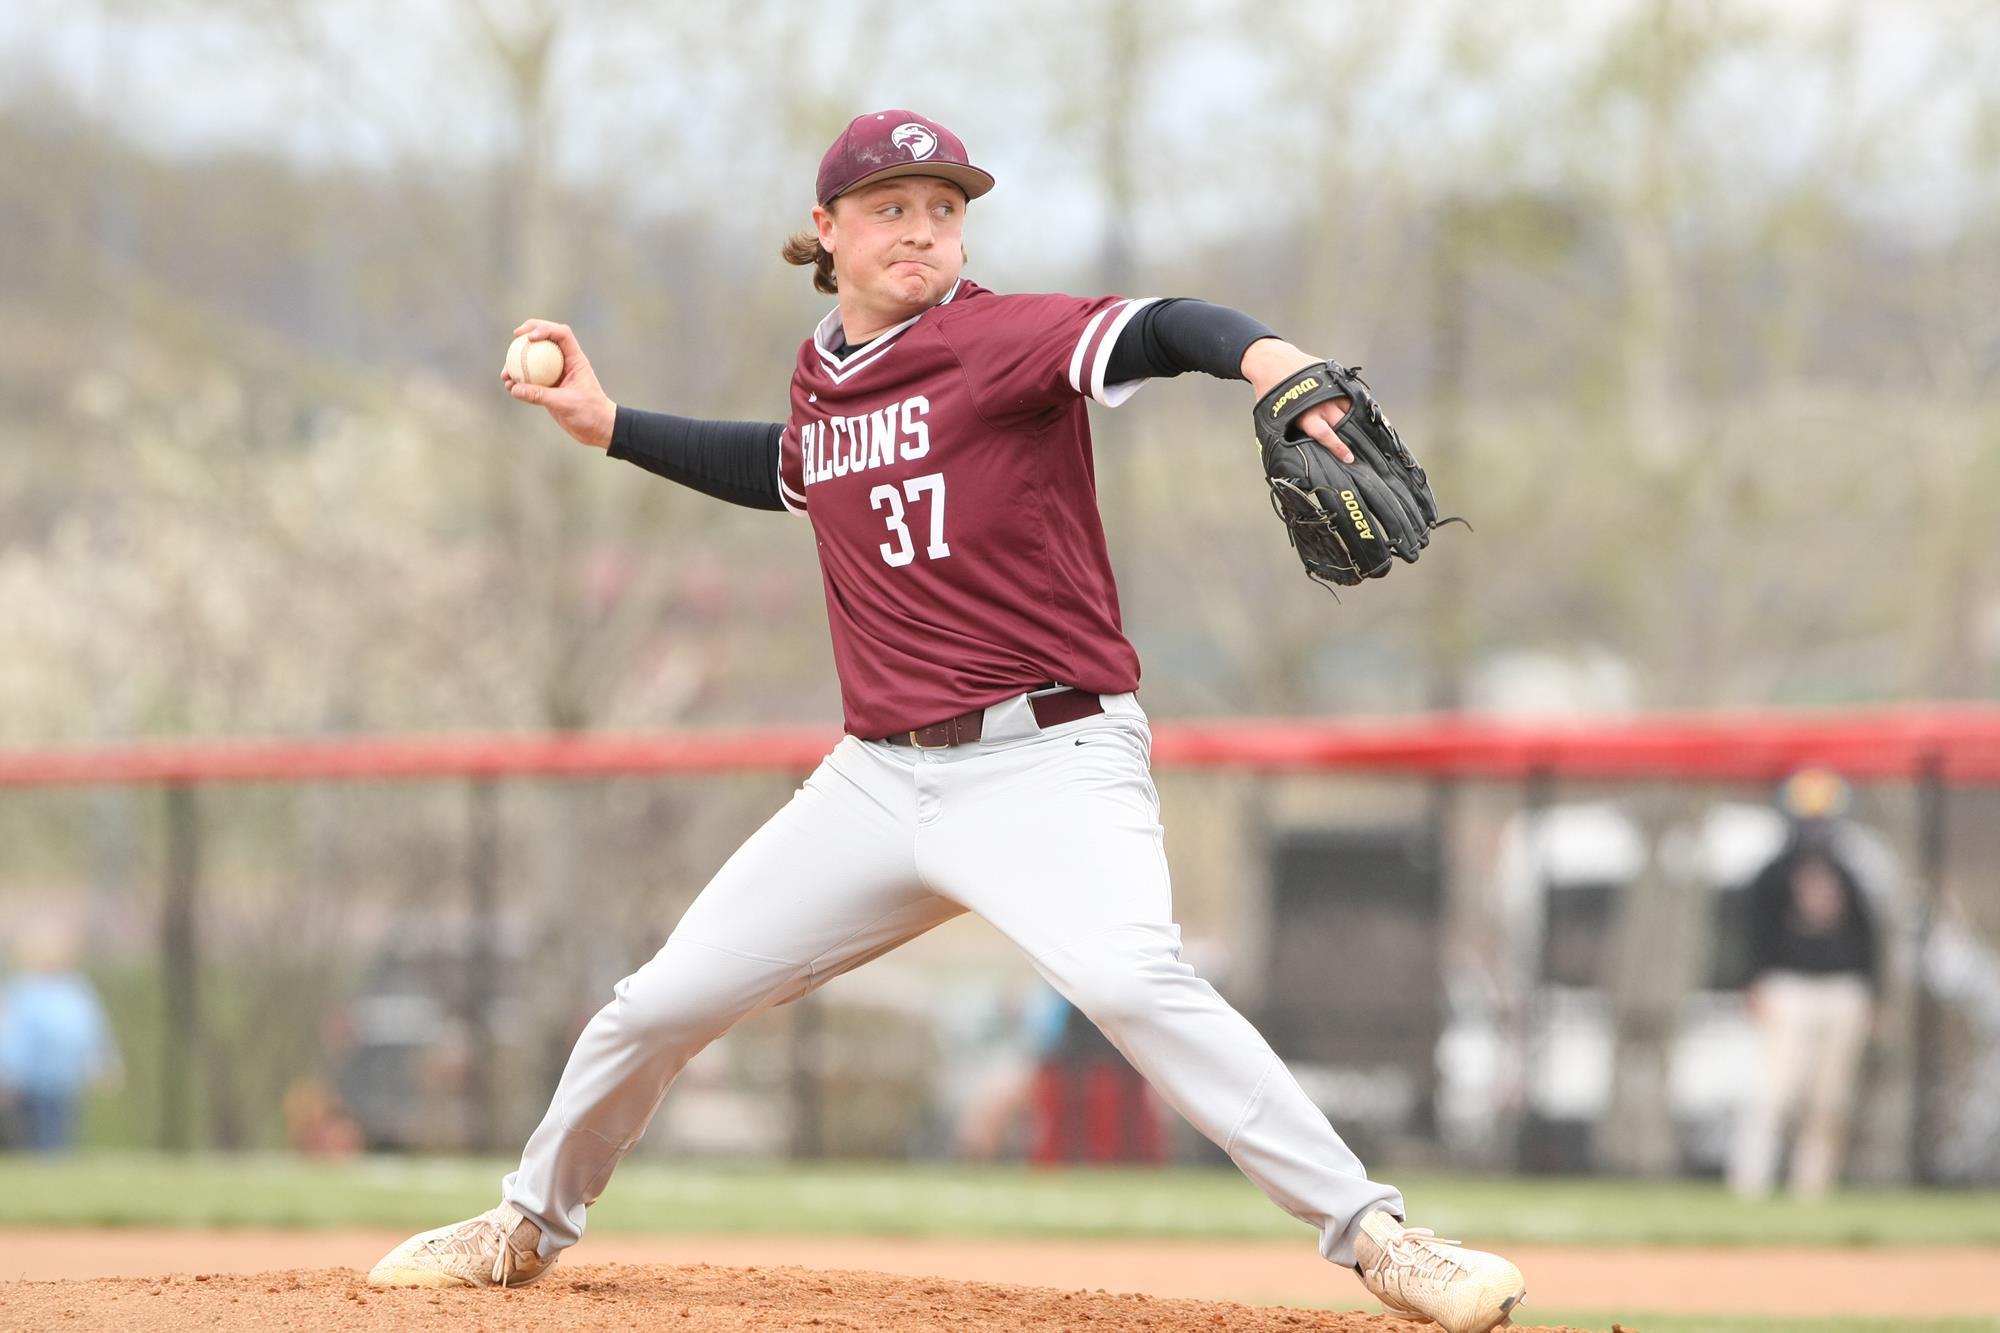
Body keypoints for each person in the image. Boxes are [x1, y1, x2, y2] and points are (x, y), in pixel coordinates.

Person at [368, 109, 1525, 1332]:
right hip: (874, 783)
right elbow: (788, 463)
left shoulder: (1003, 341)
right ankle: (526, 1223)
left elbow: (1167, 326)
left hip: (1053, 761)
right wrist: (608, 427)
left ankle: (1381, 1239)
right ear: (827, 233)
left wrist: (1271, 363)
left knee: (1132, 982)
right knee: (651, 1005)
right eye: (890, 208)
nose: (922, 229)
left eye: (943, 208)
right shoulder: (825, 378)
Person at [1727, 767, 1880, 1199]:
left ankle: (1811, 1193)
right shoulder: (1773, 873)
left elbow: (1868, 936)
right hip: (1787, 988)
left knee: (1829, 1102)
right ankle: (1750, 1188)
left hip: (1842, 991)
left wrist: (1872, 995)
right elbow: (1753, 933)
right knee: (1773, 1094)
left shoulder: (1850, 872)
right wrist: (1752, 984)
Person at [0, 922, 120, 1153]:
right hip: (32, 1079)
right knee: (36, 1130)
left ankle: (55, 1164)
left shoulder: (76, 991)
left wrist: (101, 1061)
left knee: (61, 1127)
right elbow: (12, 1036)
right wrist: (9, 1072)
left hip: (64, 1077)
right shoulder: (23, 991)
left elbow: (91, 1030)